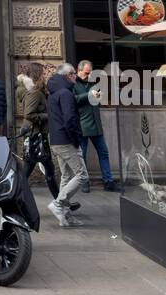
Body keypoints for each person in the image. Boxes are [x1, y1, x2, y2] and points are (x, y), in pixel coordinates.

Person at [46, 63, 86, 228]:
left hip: (56, 140)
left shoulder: (54, 93)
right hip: (66, 140)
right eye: (74, 74)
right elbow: (70, 119)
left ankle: (65, 215)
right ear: (68, 75)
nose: (76, 77)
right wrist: (76, 138)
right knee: (82, 175)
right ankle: (58, 204)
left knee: (67, 177)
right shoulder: (66, 93)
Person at [73, 60, 117, 193]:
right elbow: (73, 100)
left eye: (90, 72)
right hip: (83, 125)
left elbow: (94, 102)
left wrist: (98, 97)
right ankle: (85, 182)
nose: (89, 75)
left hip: (96, 125)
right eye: (87, 73)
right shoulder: (73, 84)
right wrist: (89, 95)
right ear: (78, 71)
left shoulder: (93, 83)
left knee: (104, 153)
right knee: (82, 156)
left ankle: (108, 182)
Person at [16, 64, 58, 198]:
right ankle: (60, 202)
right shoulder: (34, 93)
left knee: (46, 169)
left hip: (36, 134)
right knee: (43, 169)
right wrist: (47, 116)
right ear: (36, 75)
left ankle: (61, 201)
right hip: (36, 135)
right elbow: (28, 114)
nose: (45, 75)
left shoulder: (36, 91)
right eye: (42, 72)